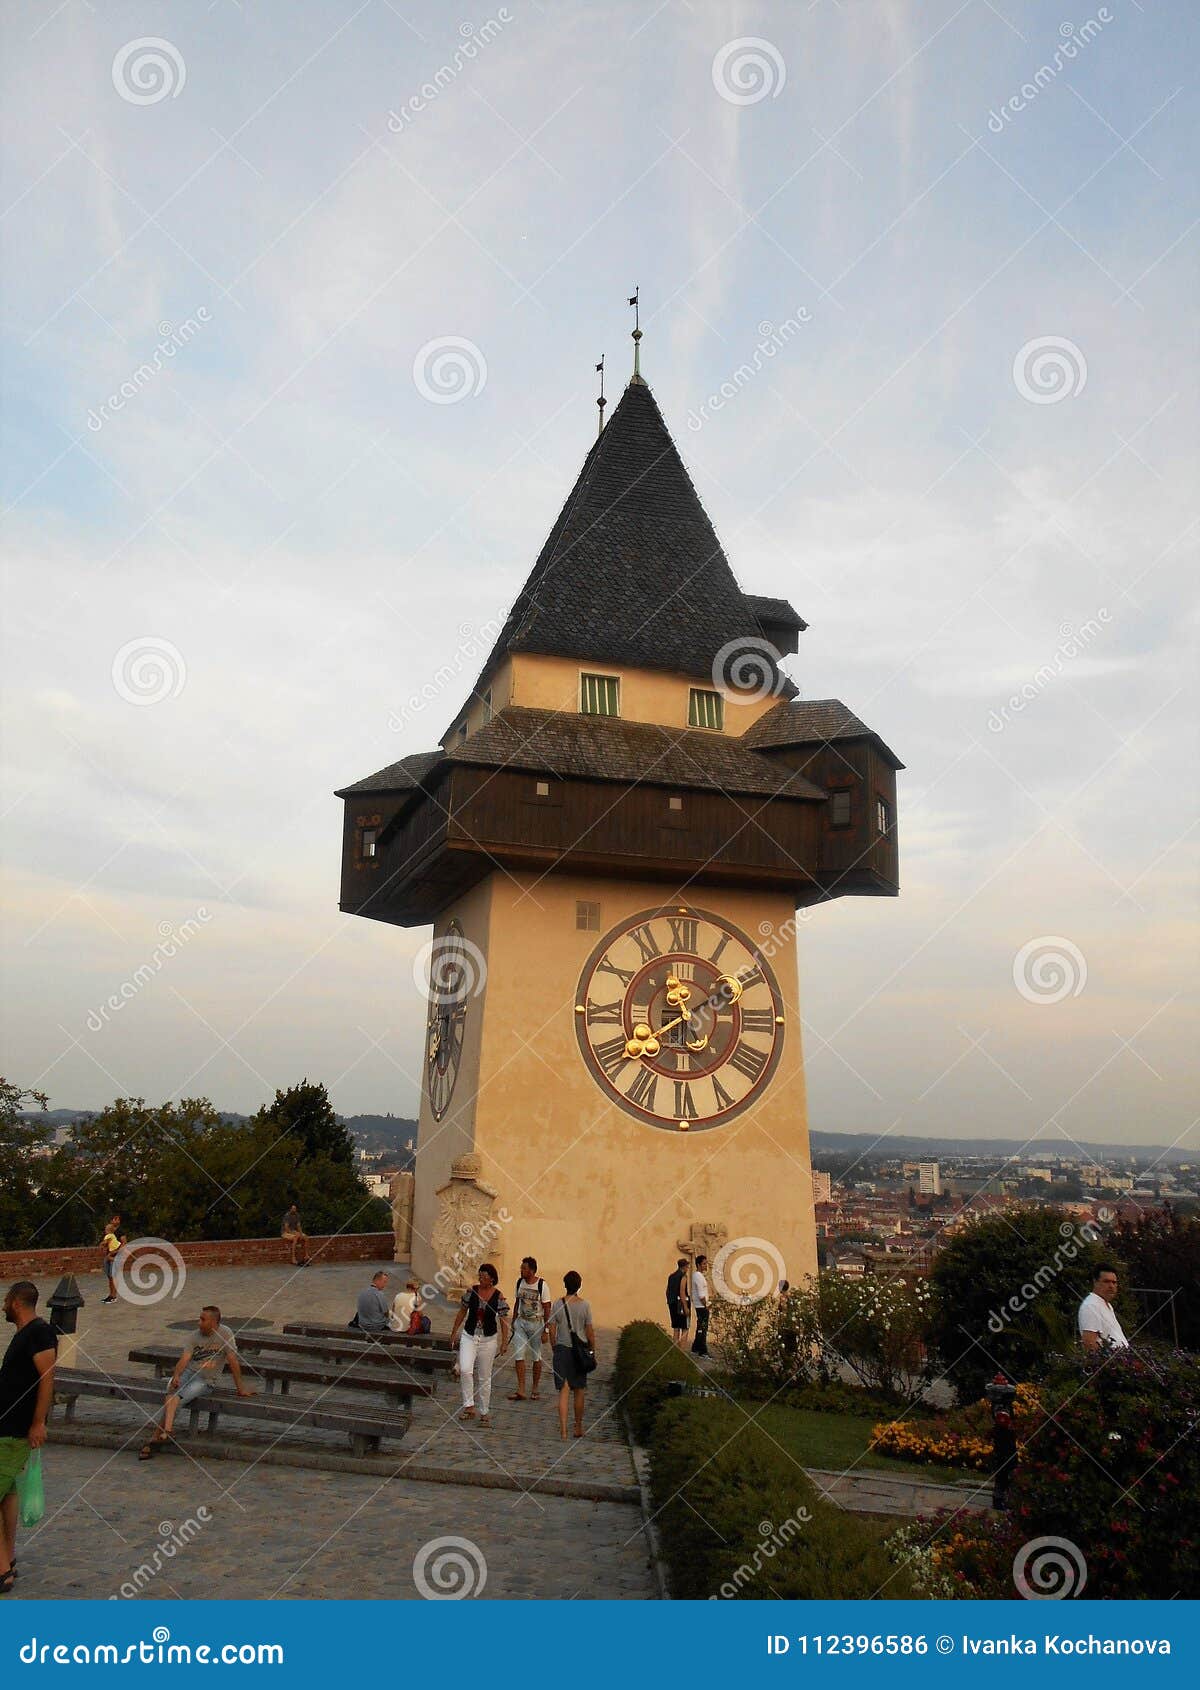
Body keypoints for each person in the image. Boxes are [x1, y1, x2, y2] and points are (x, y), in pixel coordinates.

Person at [138, 1305, 252, 1461]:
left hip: (206, 1380)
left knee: (175, 1398)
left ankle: (155, 1438)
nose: (199, 1322)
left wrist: (240, 1388)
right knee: (172, 1389)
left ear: (213, 1322)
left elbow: (233, 1361)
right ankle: (167, 1431)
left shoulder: (226, 1334)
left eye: (202, 1319)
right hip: (189, 1373)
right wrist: (177, 1375)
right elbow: (184, 1359)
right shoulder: (194, 1336)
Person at [0, 1283, 56, 1596]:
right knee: (7, 1492)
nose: (3, 1306)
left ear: (16, 1302)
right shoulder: (25, 1333)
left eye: (6, 1301)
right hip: (5, 1426)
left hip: (15, 1428)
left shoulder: (39, 1333)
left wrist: (38, 1423)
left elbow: (48, 1377)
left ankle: (2, 1571)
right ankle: (7, 1557)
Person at [449, 1264, 509, 1426]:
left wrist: (504, 1341)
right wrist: (454, 1331)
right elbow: (462, 1311)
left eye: (484, 1276)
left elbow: (503, 1319)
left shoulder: (498, 1297)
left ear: (491, 1279)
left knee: (484, 1376)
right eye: (480, 1275)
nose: (481, 1278)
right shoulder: (471, 1292)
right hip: (470, 1336)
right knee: (466, 1370)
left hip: (488, 1340)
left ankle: (484, 1411)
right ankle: (469, 1406)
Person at [546, 1271, 596, 1441]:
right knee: (579, 1390)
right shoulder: (585, 1306)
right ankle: (578, 1426)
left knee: (564, 1391)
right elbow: (589, 1332)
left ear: (565, 1284)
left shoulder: (557, 1304)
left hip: (562, 1349)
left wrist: (555, 1346)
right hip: (579, 1352)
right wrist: (592, 1350)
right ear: (579, 1286)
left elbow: (551, 1329)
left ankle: (563, 1431)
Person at [507, 1257, 551, 1401]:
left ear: (531, 1270)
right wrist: (513, 1321)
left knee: (536, 1357)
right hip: (521, 1322)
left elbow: (547, 1308)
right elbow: (517, 1302)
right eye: (521, 1267)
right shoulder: (519, 1283)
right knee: (519, 1355)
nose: (521, 1270)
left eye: (524, 1268)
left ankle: (535, 1388)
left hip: (536, 1324)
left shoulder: (542, 1285)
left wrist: (546, 1330)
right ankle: (521, 1389)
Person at [1078, 1263, 1129, 1352]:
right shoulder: (1091, 1306)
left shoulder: (1106, 1305)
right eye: (1106, 1281)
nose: (1111, 1286)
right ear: (1095, 1282)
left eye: (1114, 1282)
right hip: (1110, 1364)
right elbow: (1089, 1344)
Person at [665, 1257, 690, 1348]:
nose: (688, 1269)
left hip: (672, 1303)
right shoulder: (683, 1276)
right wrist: (686, 1307)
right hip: (681, 1304)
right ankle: (682, 1350)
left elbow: (667, 1291)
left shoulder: (671, 1276)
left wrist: (670, 1301)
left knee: (676, 1328)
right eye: (687, 1267)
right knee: (685, 1328)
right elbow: (682, 1292)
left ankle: (675, 1350)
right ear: (684, 1267)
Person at [100, 1216, 125, 1303]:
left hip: (115, 1256)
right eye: (115, 1219)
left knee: (113, 1276)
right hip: (108, 1256)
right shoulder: (108, 1231)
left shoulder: (120, 1231)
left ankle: (114, 1296)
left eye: (118, 1219)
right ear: (111, 1220)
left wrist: (115, 1252)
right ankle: (110, 1295)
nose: (117, 1220)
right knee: (110, 1277)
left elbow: (123, 1244)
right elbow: (106, 1244)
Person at [690, 1254, 710, 1357]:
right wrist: (705, 1305)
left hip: (701, 1305)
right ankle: (703, 1351)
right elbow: (701, 1294)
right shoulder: (697, 1276)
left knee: (700, 1327)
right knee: (703, 1328)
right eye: (704, 1264)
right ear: (698, 1265)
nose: (706, 1265)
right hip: (702, 1306)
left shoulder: (699, 1276)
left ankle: (695, 1348)